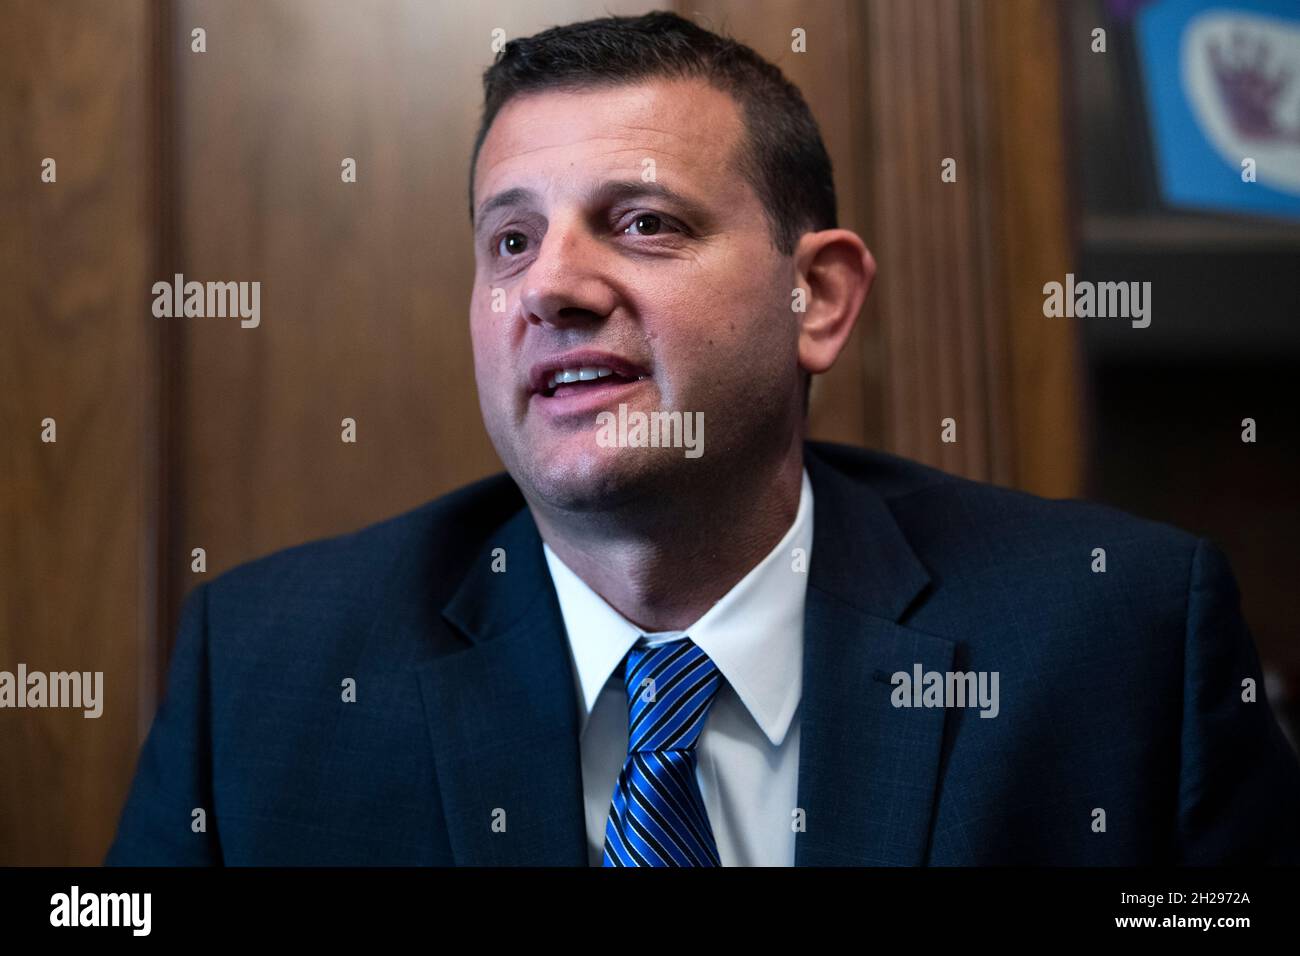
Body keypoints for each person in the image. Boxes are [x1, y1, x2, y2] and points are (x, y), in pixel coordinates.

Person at [106, 11, 1300, 866]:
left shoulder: (1119, 638)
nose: (550, 286)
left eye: (641, 222)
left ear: (816, 299)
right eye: (510, 241)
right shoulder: (264, 673)